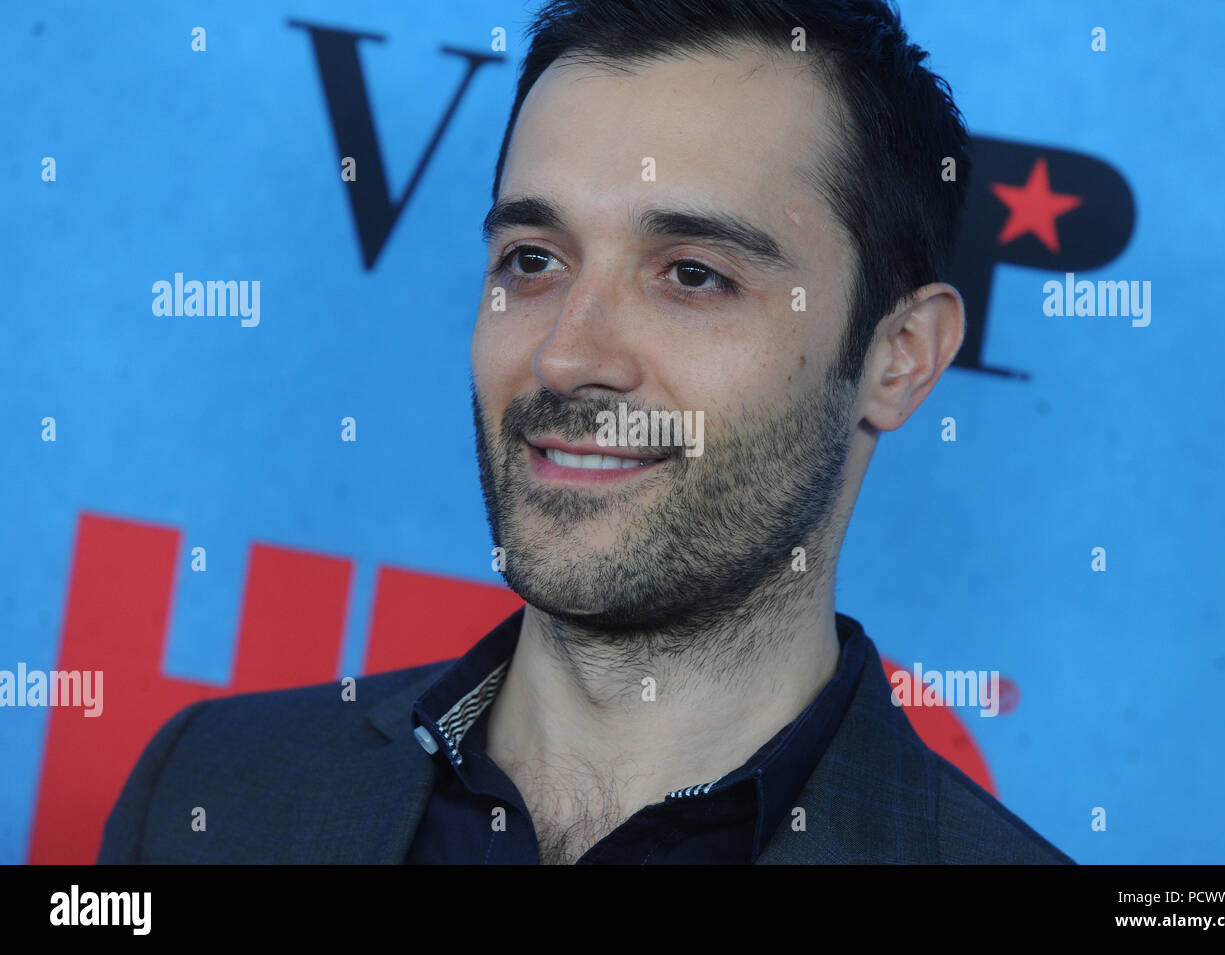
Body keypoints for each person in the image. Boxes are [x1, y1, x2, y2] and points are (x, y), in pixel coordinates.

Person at [99, 0, 1073, 865]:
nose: (567, 355)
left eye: (692, 273)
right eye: (533, 259)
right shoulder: (211, 797)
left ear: (899, 355)